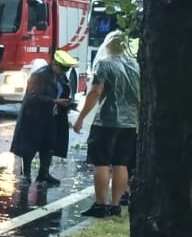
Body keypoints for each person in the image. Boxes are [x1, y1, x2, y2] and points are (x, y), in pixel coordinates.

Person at [73, 30, 140, 216]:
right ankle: (115, 205)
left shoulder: (104, 64)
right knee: (121, 163)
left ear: (107, 45)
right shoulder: (135, 65)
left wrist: (81, 118)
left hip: (107, 120)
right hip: (130, 122)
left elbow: (95, 92)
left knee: (101, 162)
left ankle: (101, 205)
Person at [10, 51, 76, 190]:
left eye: (66, 69)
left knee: (48, 146)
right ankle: (26, 173)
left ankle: (44, 174)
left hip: (52, 117)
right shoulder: (39, 76)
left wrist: (67, 104)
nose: (64, 72)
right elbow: (32, 97)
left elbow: (63, 92)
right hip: (34, 117)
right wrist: (54, 101)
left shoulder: (61, 77)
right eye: (62, 68)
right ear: (55, 64)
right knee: (29, 146)